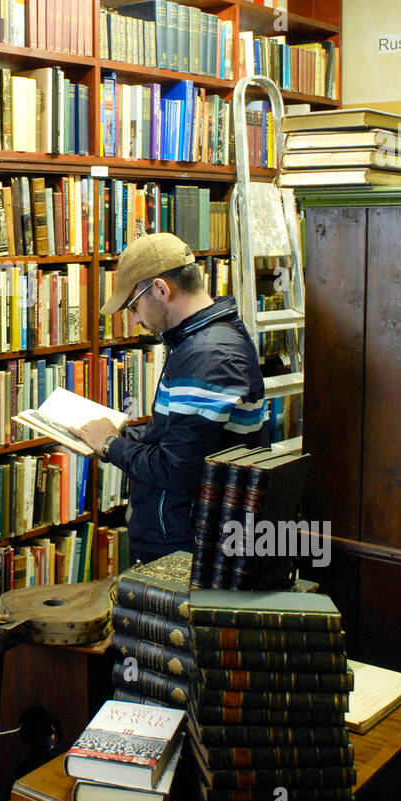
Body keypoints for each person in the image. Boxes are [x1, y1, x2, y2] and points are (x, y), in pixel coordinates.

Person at [73, 233, 268, 566]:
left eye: (133, 306)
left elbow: (179, 471)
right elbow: (181, 439)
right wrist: (119, 435)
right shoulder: (201, 341)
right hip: (182, 533)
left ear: (161, 290)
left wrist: (110, 445)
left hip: (185, 544)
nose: (134, 319)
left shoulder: (209, 354)